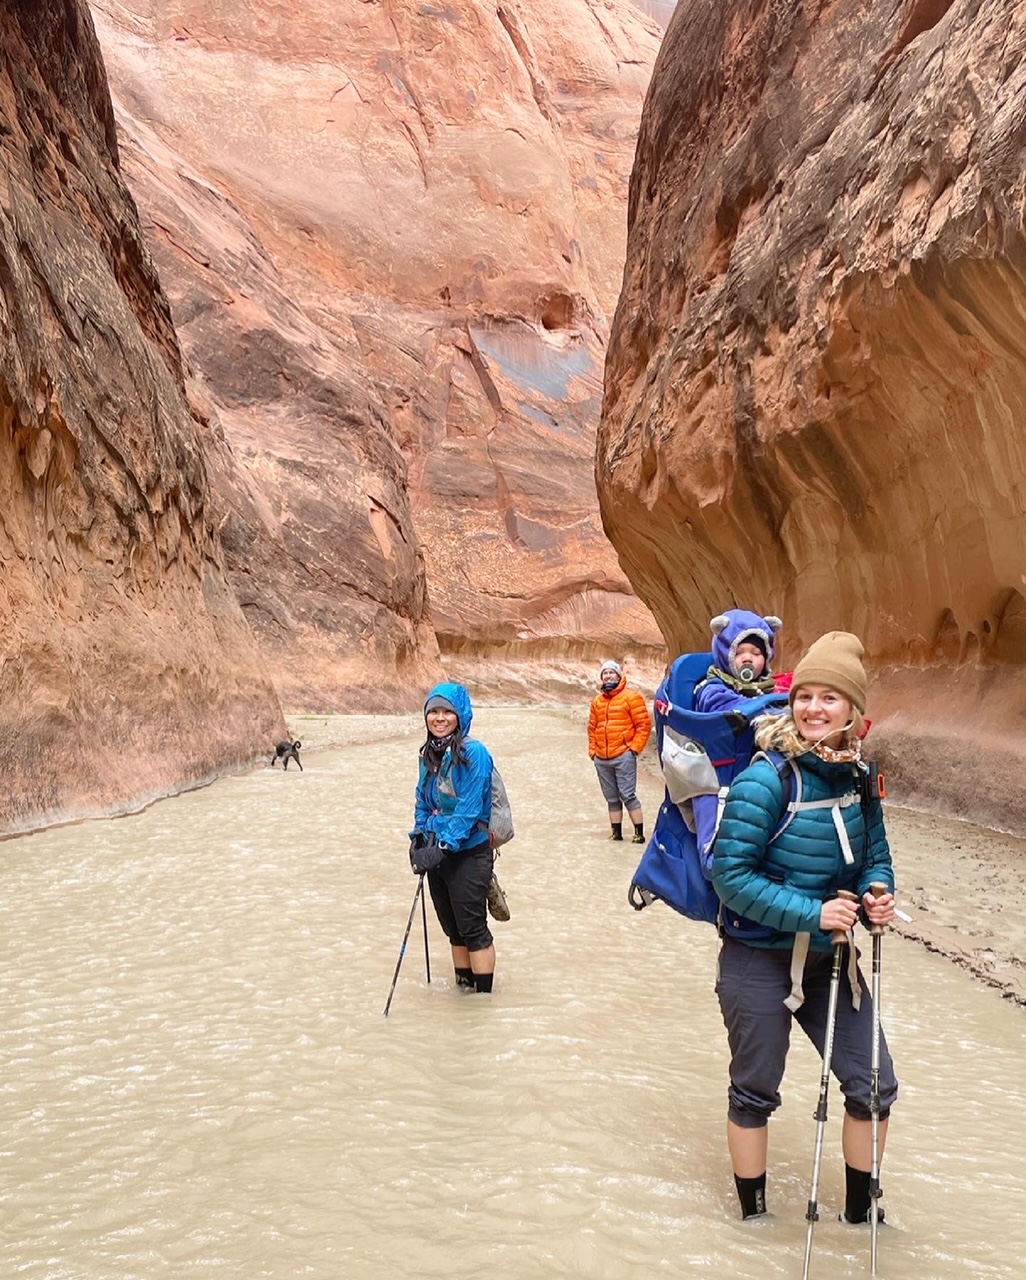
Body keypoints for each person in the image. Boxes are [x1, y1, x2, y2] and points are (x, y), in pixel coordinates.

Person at [711, 631, 897, 1223]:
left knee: (874, 1084)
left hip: (833, 959)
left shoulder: (861, 778)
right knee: (754, 1091)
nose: (813, 708)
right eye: (805, 695)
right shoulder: (767, 779)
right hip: (756, 958)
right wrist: (812, 912)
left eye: (830, 698)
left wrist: (878, 891)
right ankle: (755, 1223)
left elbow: (876, 855)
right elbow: (728, 875)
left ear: (854, 711)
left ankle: (859, 1218)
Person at [412, 682, 496, 994]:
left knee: (473, 929)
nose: (440, 717)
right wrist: (419, 838)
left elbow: (470, 808)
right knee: (453, 930)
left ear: (461, 715)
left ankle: (482, 1000)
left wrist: (445, 846)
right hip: (438, 852)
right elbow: (423, 800)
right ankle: (464, 993)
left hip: (469, 852)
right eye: (433, 711)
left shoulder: (474, 753)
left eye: (447, 711)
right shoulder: (428, 755)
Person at [691, 610, 786, 858]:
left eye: (756, 653)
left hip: (758, 783)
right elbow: (727, 710)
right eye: (740, 652)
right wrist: (774, 705)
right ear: (725, 653)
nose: (748, 659)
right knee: (719, 849)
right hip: (718, 782)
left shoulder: (768, 689)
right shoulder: (711, 688)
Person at [588, 660, 652, 842]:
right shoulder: (597, 701)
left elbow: (643, 726)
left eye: (611, 673)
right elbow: (592, 728)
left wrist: (634, 749)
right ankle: (616, 834)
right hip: (601, 757)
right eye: (604, 673)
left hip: (623, 754)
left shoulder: (632, 697)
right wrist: (593, 751)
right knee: (611, 797)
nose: (608, 676)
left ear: (619, 675)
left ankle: (638, 834)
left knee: (628, 794)